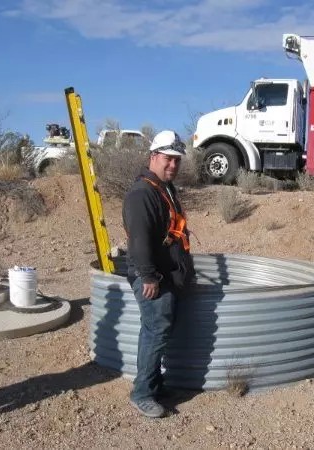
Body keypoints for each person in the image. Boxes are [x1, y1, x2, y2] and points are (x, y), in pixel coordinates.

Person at [122, 130, 195, 419]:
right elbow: (138, 240)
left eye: (177, 160)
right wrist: (148, 277)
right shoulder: (142, 194)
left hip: (165, 275)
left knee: (155, 332)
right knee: (155, 333)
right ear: (154, 157)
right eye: (168, 159)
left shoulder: (162, 187)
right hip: (154, 279)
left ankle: (153, 385)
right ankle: (142, 394)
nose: (173, 166)